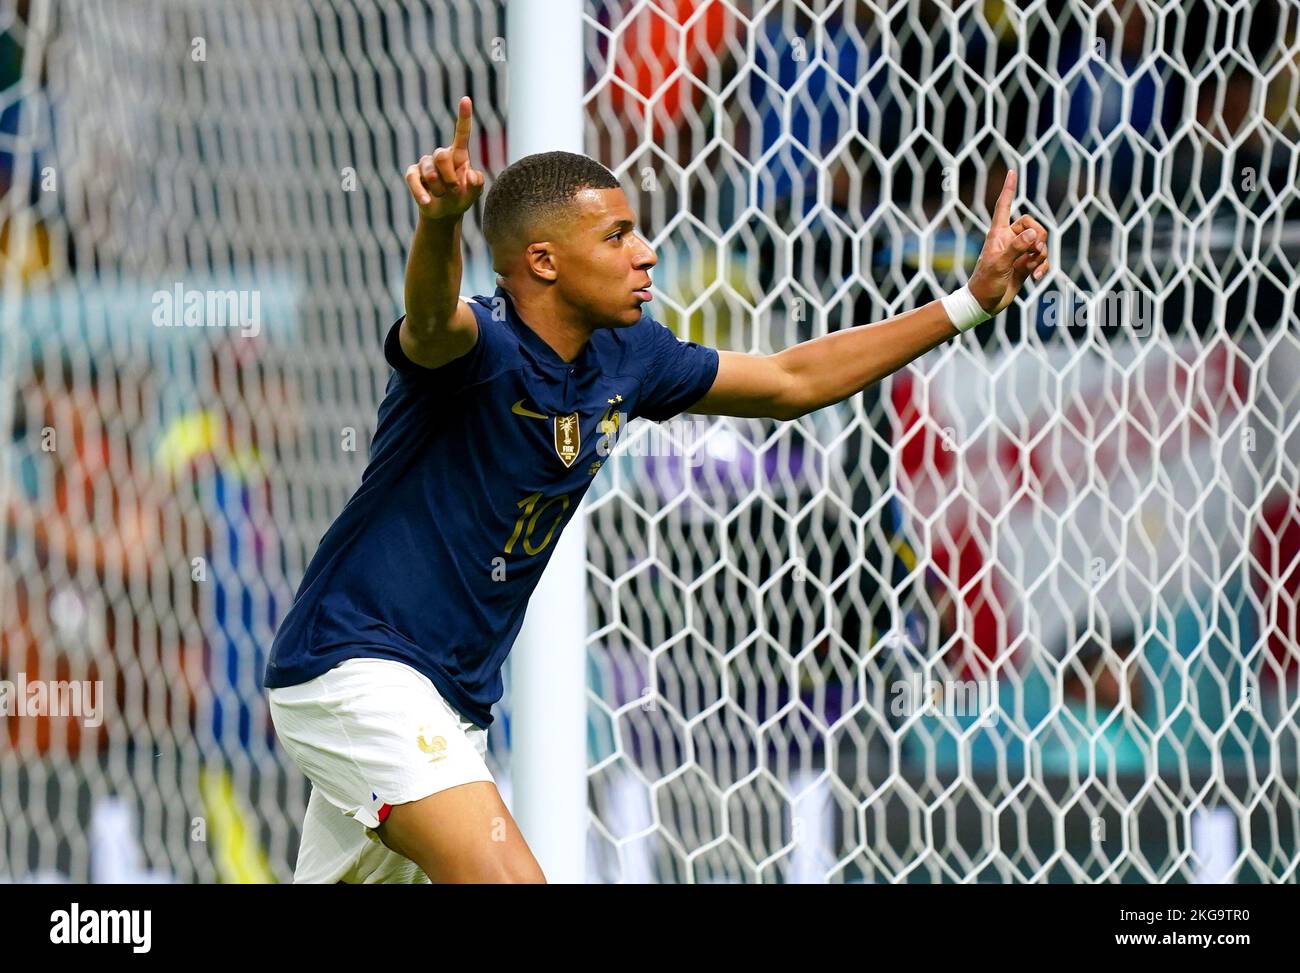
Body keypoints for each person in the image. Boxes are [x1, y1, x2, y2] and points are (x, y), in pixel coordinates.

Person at [263, 96, 1051, 884]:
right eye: (617, 236)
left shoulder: (628, 355)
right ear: (543, 261)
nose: (645, 253)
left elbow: (788, 379)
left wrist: (968, 303)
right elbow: (429, 321)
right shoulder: (479, 347)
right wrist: (440, 224)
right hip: (358, 665)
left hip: (450, 697)